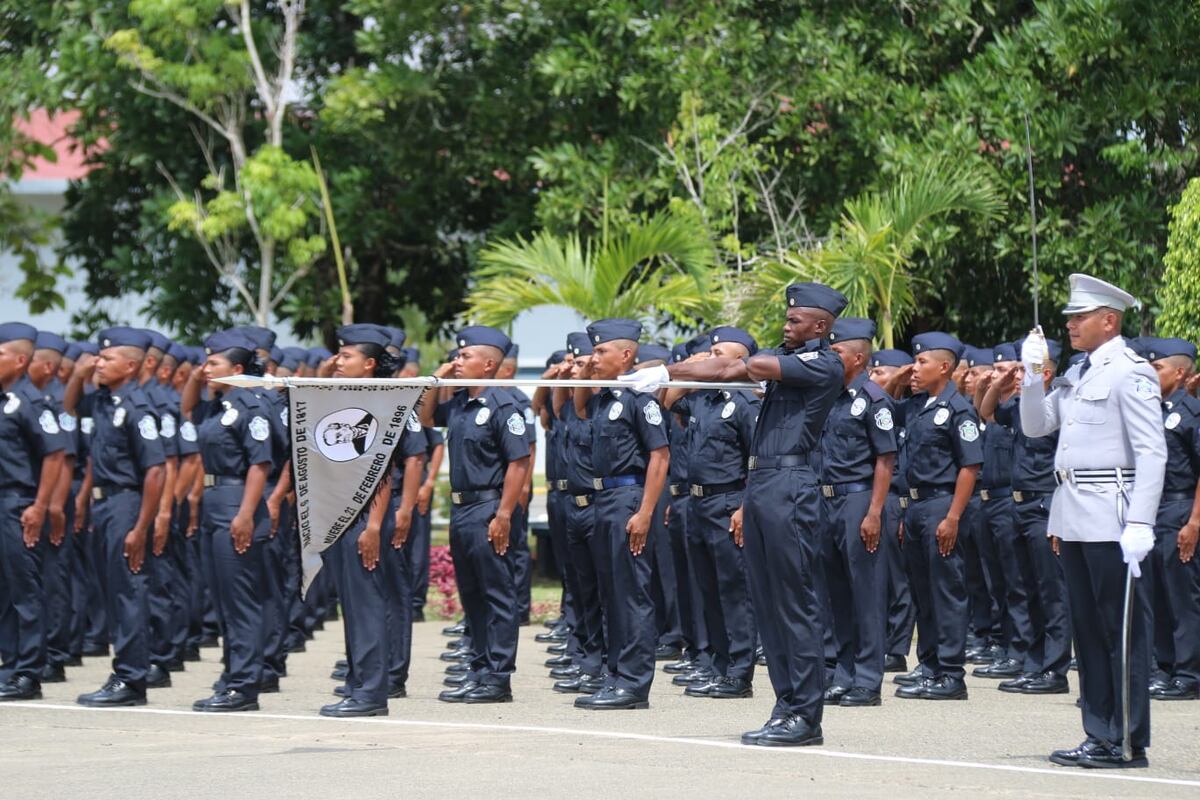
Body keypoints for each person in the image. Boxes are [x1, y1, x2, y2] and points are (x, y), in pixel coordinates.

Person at [639, 283, 847, 745]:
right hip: (763, 483)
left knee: (795, 605)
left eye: (794, 320)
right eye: (786, 319)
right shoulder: (784, 359)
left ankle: (805, 715)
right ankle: (785, 705)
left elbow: (745, 365)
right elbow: (725, 368)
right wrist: (665, 373)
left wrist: (667, 371)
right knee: (768, 605)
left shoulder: (823, 363)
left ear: (820, 326)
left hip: (791, 485)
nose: (785, 326)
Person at [1021, 273, 1166, 769]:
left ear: (1109, 321)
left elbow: (1152, 452)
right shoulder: (1079, 372)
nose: (1070, 325)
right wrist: (1031, 378)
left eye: (1079, 317)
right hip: (1075, 511)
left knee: (1120, 632)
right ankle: (1099, 732)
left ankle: (1127, 739)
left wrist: (1141, 522)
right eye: (1070, 317)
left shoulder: (1130, 371)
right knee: (1087, 630)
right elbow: (1035, 426)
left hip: (1113, 515)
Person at [420, 326, 530, 703]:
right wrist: (436, 380)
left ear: (488, 365)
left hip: (488, 508)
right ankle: (479, 670)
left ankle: (498, 678)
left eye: (465, 356)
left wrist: (504, 515)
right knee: (472, 596)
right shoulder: (461, 404)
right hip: (463, 508)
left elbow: (519, 462)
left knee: (497, 594)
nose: (457, 360)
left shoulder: (502, 405)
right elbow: (426, 417)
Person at [572, 319, 671, 710]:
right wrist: (585, 371)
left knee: (632, 595)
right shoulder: (604, 398)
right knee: (612, 595)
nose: (593, 358)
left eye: (600, 351)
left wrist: (645, 512)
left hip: (628, 499)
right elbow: (578, 407)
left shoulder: (639, 399)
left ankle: (633, 683)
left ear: (626, 355)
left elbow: (660, 456)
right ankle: (614, 676)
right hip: (604, 501)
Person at [664, 326, 761, 700]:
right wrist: (692, 367)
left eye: (719, 352)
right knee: (708, 589)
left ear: (740, 360)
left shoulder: (746, 402)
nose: (711, 355)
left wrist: (745, 508)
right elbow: (667, 399)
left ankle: (739, 672)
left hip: (728, 502)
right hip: (697, 503)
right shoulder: (703, 398)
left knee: (734, 590)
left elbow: (757, 461)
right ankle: (717, 666)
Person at [69, 327, 164, 707]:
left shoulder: (138, 407)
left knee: (129, 593)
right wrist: (79, 373)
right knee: (114, 592)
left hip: (126, 503)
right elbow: (70, 407)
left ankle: (131, 679)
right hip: (105, 504)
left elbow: (155, 471)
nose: (98, 363)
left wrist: (141, 527)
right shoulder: (105, 402)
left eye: (107, 359)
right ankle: (124, 671)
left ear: (130, 365)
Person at [182, 330, 275, 713]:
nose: (205, 369)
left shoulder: (251, 406)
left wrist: (246, 514)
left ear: (237, 369)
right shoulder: (218, 406)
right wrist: (197, 375)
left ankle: (244, 685)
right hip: (214, 501)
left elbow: (260, 464)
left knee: (241, 602)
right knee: (222, 601)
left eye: (213, 363)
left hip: (237, 502)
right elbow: (187, 408)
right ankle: (231, 676)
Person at [893, 333, 983, 701]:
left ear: (944, 367)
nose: (914, 369)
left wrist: (953, 517)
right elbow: (888, 402)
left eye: (922, 362)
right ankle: (929, 665)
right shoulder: (918, 406)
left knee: (947, 591)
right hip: (916, 507)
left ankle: (950, 673)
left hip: (942, 505)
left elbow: (970, 466)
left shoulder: (958, 410)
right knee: (923, 591)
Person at [981, 339, 1073, 696]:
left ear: (1045, 373)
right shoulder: (1023, 407)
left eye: (1024, 369)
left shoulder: (1058, 408)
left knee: (1052, 592)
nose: (1018, 375)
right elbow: (988, 412)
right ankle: (1034, 665)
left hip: (1044, 505)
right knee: (1028, 589)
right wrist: (998, 385)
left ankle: (1054, 669)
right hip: (1019, 507)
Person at [818, 318, 898, 707]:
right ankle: (842, 673)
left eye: (836, 352)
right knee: (835, 594)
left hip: (858, 500)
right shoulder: (828, 397)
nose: (829, 357)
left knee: (866, 593)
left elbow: (885, 459)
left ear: (858, 357)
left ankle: (867, 679)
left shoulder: (874, 399)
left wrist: (874, 512)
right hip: (826, 501)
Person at [0, 323, 68, 701]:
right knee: (4, 592)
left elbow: (55, 454)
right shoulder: (4, 400)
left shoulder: (32, 401)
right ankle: (10, 666)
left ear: (20, 360)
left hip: (18, 503)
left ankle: (28, 673)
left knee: (25, 591)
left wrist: (40, 506)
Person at [1140, 338, 1200, 701]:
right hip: (1155, 511)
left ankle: (1188, 673)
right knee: (1158, 595)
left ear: (1179, 373)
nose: (1150, 373)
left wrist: (1194, 522)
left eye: (1157, 367)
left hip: (1181, 509)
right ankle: (1164, 667)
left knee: (1182, 597)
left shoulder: (1191, 412)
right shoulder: (1152, 411)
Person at [868, 349, 917, 673]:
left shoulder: (911, 410)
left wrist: (896, 379)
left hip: (899, 502)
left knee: (899, 581)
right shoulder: (889, 410)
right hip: (878, 502)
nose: (873, 379)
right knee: (878, 578)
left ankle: (897, 649)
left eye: (880, 373)